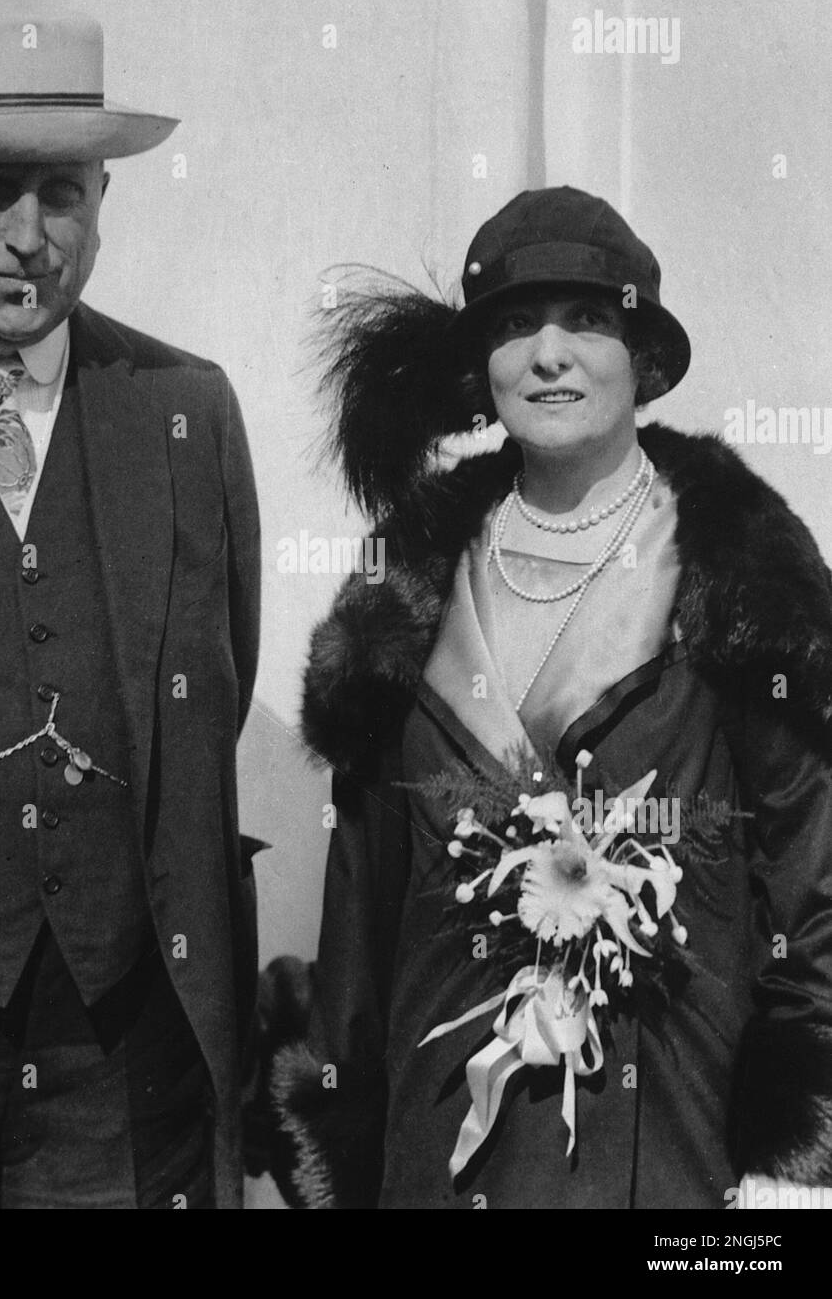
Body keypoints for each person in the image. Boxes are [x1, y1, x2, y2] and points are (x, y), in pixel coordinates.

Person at [269, 186, 832, 1209]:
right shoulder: (409, 576)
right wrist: (336, 1133)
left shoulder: (736, 560)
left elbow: (813, 879)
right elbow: (362, 902)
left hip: (673, 1143)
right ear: (483, 369)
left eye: (589, 320)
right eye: (516, 324)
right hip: (441, 1142)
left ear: (644, 359)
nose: (550, 352)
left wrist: (794, 1162)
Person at [0, 0, 261, 1209]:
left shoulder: (183, 409)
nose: (29, 235)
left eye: (62, 193)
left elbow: (206, 703)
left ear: (104, 203)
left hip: (113, 1052)